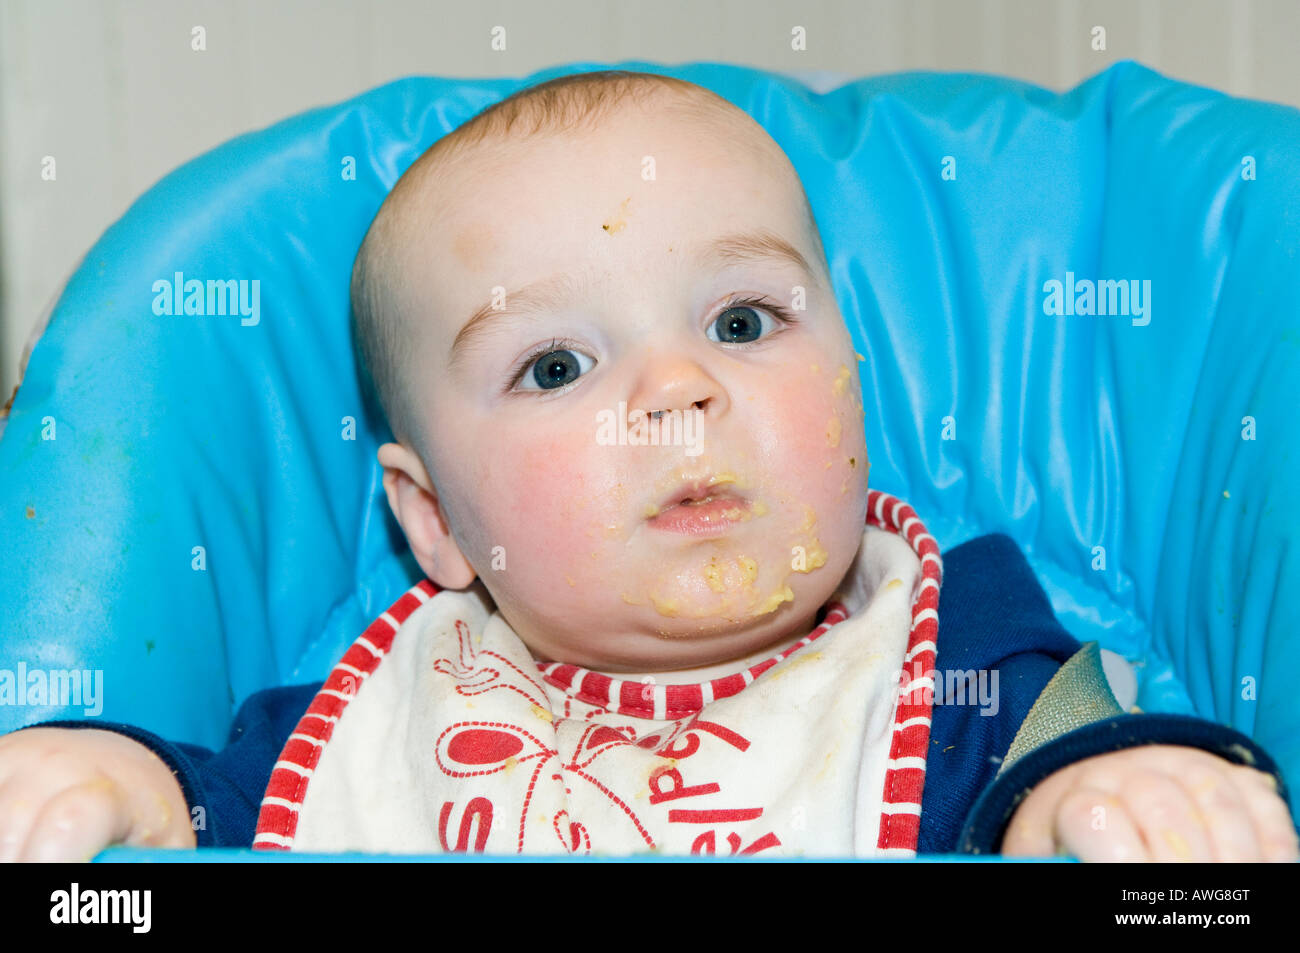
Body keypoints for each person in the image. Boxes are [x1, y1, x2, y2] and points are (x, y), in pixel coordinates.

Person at [2, 70, 1296, 862]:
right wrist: (116, 777)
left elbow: (1065, 770)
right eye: (556, 367)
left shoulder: (952, 648)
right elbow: (205, 815)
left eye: (742, 324)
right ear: (435, 519)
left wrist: (1119, 788)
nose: (680, 389)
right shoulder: (378, 710)